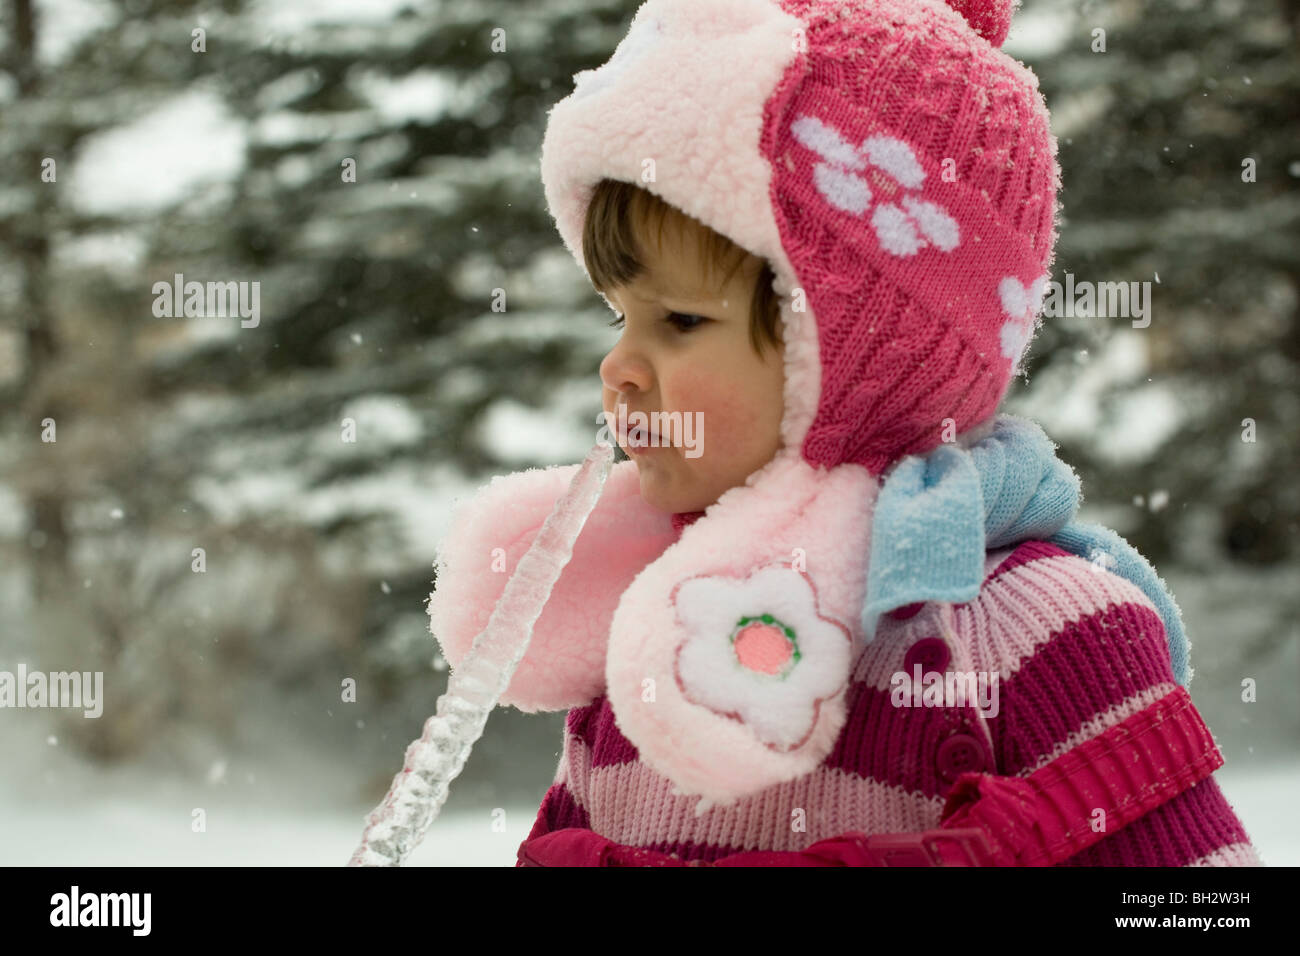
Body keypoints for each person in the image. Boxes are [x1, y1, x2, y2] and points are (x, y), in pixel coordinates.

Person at [428, 0, 1263, 866]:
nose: (621, 369)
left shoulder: (1036, 626)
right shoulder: (663, 632)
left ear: (862, 349)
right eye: (619, 320)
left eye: (678, 320)